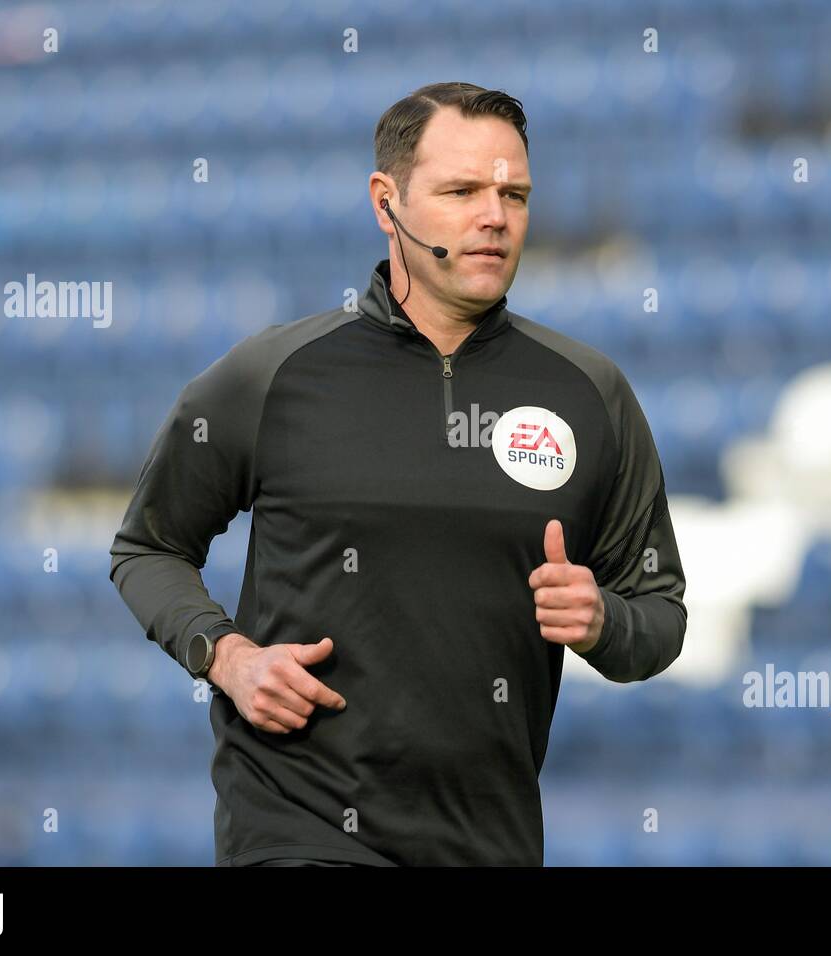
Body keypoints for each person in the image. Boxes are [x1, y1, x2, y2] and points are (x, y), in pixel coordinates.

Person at [109, 82, 687, 866]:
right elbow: (147, 548)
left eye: (514, 193)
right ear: (388, 204)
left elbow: (660, 616)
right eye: (462, 191)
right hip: (296, 828)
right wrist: (229, 658)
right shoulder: (273, 377)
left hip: (490, 840)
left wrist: (601, 621)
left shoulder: (588, 393)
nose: (495, 216)